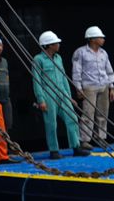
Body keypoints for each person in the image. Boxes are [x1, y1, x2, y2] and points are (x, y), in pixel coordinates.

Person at [32, 30, 80, 158]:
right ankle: (54, 150)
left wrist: (69, 97)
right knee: (51, 123)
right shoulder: (38, 59)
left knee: (72, 118)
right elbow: (37, 80)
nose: (58, 45)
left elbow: (64, 78)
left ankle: (76, 146)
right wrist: (41, 99)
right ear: (49, 45)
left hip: (62, 93)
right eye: (55, 43)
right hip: (48, 94)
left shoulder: (59, 58)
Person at [71, 26, 114, 152]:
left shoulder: (103, 53)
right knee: (88, 113)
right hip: (89, 86)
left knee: (102, 113)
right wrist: (78, 88)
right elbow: (76, 71)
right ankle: (84, 140)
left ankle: (100, 137)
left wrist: (111, 87)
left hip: (103, 85)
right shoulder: (81, 52)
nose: (103, 39)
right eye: (100, 37)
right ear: (92, 39)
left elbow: (109, 70)